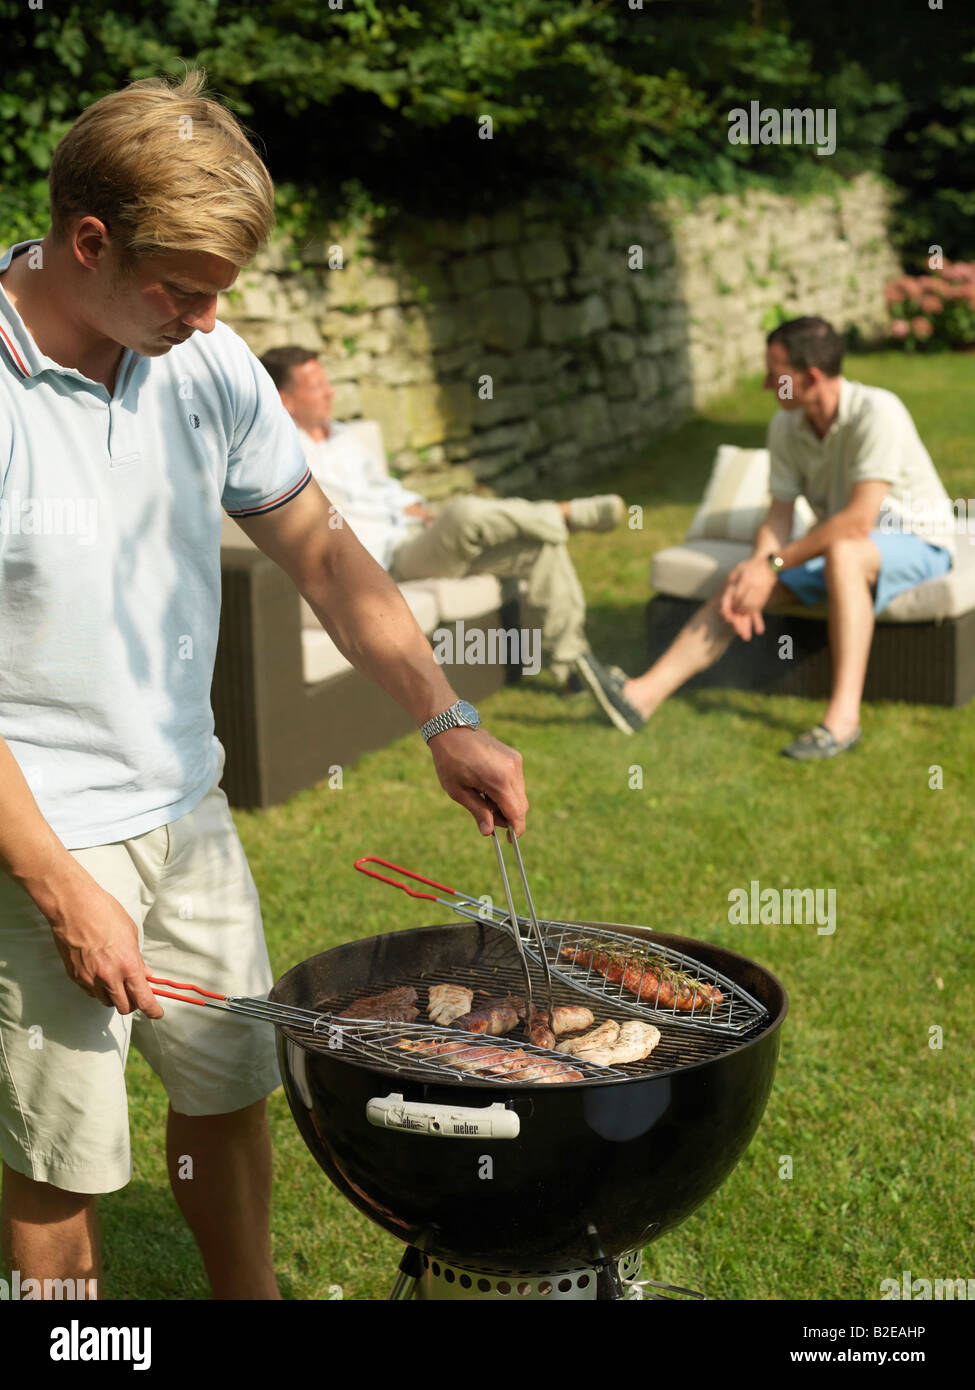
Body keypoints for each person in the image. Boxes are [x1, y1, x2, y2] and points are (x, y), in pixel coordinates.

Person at [0, 70, 528, 1300]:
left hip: (188, 807)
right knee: (58, 1161)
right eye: (181, 288)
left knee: (230, 1085)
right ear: (89, 242)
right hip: (36, 830)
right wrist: (60, 886)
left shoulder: (207, 359)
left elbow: (330, 554)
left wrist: (444, 718)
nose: (205, 318)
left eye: (219, 294)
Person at [610, 317, 955, 757]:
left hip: (918, 538)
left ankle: (843, 721)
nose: (765, 385)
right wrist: (757, 570)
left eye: (775, 375)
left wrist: (775, 564)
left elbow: (856, 522)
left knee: (843, 554)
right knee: (742, 580)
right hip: (841, 548)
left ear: (810, 377)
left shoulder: (878, 412)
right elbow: (778, 516)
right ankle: (640, 696)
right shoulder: (785, 426)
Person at [260, 346, 635, 728]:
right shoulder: (284, 454)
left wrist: (419, 509)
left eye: (327, 382)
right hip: (389, 559)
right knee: (464, 512)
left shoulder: (343, 437)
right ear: (285, 400)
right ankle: (563, 513)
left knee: (537, 548)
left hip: (418, 533)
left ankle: (573, 666)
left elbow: (387, 491)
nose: (330, 392)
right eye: (317, 386)